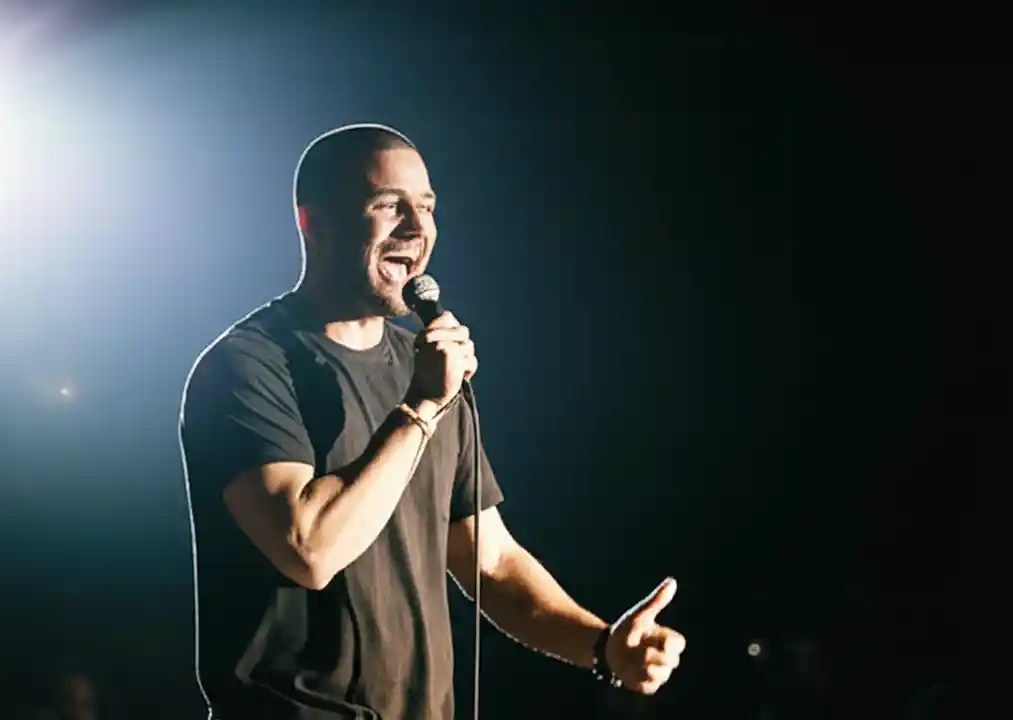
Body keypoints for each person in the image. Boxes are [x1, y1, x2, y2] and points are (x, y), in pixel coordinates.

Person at [179, 124, 686, 719]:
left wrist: (602, 646)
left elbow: (490, 561)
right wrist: (420, 408)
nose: (416, 229)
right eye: (388, 206)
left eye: (426, 207)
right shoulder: (248, 365)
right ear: (314, 223)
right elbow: (308, 548)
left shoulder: (425, 367)